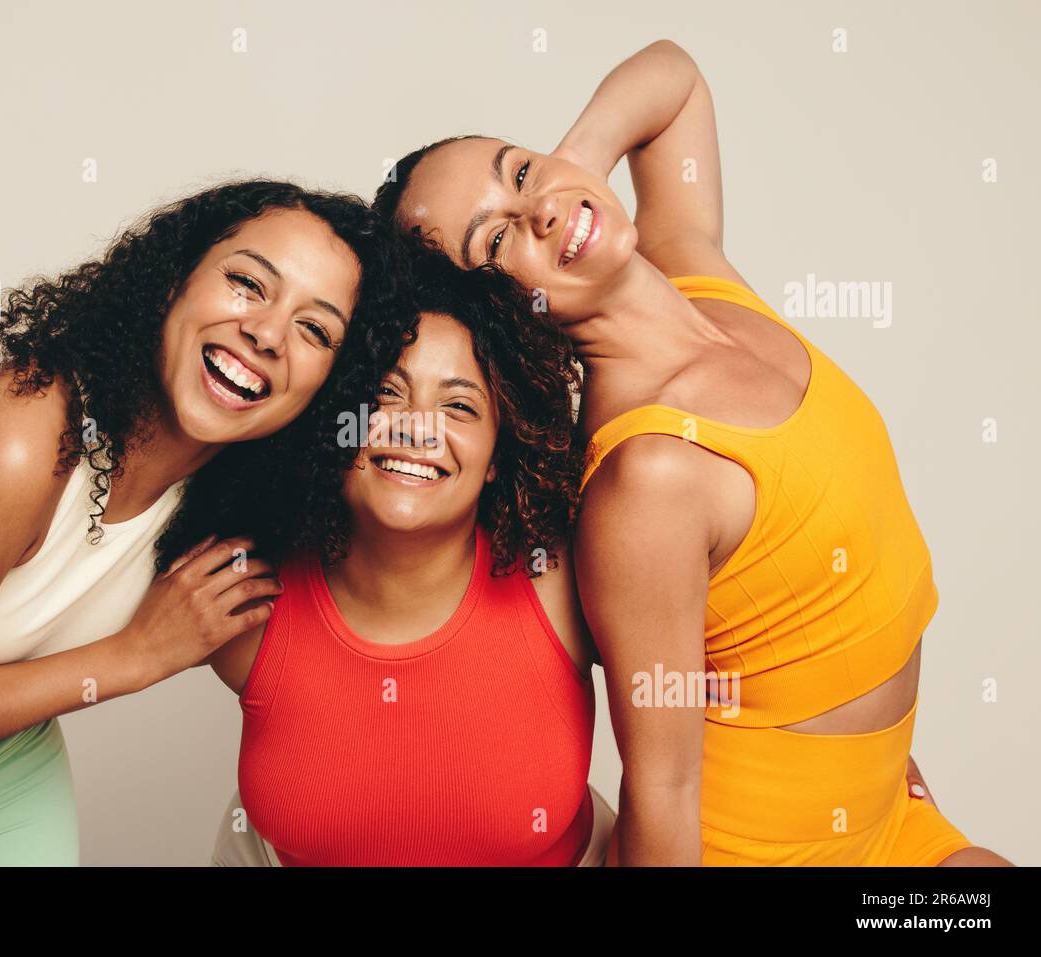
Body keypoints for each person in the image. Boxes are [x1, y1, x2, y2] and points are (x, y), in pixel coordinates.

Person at [370, 40, 1010, 865]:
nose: (536, 211)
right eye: (497, 243)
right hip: (775, 852)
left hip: (888, 815)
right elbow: (663, 788)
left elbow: (674, 78)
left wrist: (568, 173)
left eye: (518, 171)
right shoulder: (649, 474)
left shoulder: (694, 267)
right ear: (504, 314)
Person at [0, 179, 416, 866]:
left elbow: (349, 669)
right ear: (174, 279)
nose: (268, 334)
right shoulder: (15, 441)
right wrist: (138, 655)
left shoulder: (230, 497)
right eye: (247, 281)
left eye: (315, 329)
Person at [167, 244, 612, 866]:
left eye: (459, 406)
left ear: (496, 458)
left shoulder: (566, 581)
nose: (417, 428)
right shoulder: (241, 599)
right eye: (385, 393)